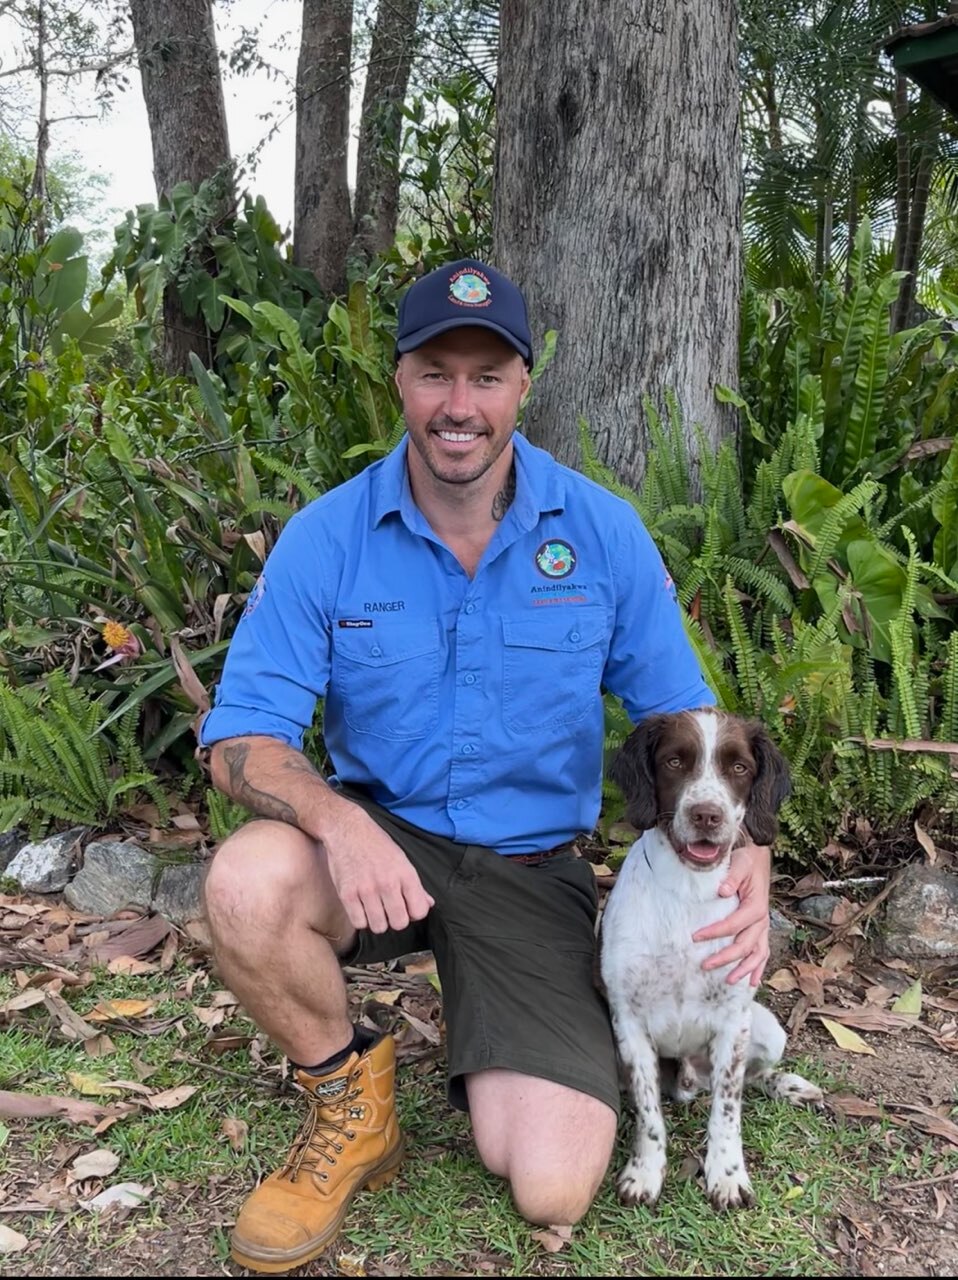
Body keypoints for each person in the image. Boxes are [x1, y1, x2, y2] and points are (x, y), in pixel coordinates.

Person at [197, 259, 773, 1274]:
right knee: (247, 881)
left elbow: (686, 726)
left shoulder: (601, 532)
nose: (458, 404)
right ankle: (346, 1101)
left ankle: (497, 1017)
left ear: (522, 384)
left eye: (486, 375)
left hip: (526, 867)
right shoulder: (326, 538)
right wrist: (335, 818)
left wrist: (750, 854)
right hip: (379, 843)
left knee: (549, 1178)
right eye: (434, 372)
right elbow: (239, 740)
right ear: (399, 380)